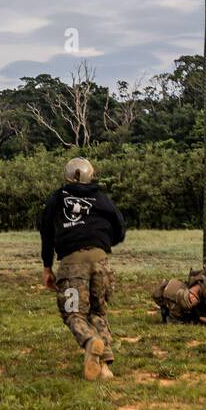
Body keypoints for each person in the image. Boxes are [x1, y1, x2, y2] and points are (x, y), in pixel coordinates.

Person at [39, 156, 125, 380]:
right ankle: (105, 366)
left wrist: (47, 267)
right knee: (98, 311)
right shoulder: (101, 198)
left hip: (71, 265)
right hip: (101, 262)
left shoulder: (57, 199)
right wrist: (104, 243)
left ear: (66, 176)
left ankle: (90, 342)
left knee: (73, 312)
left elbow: (46, 233)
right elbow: (120, 227)